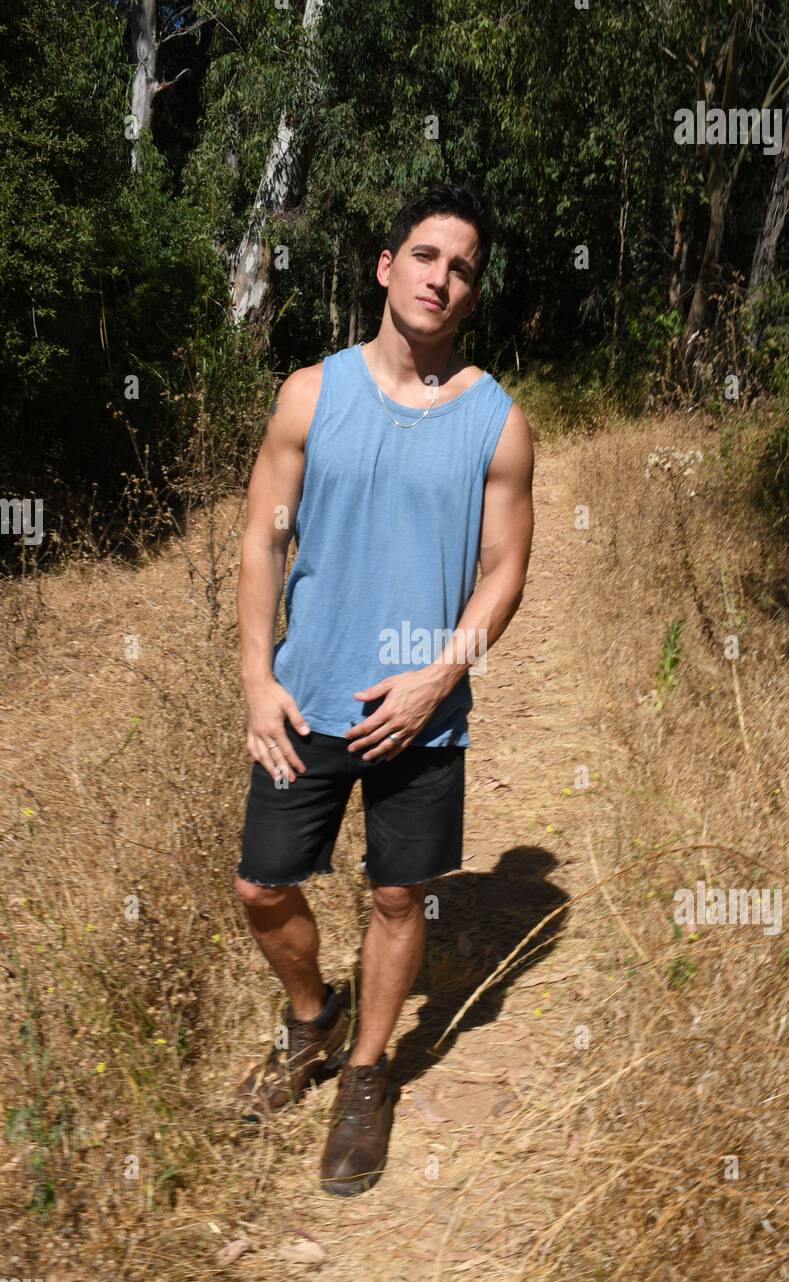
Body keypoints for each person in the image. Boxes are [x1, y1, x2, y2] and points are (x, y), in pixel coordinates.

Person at [233, 184, 535, 1196]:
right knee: (260, 884)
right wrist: (254, 678)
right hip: (306, 695)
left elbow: (502, 571)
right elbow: (259, 542)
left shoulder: (495, 421)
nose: (438, 277)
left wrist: (439, 674)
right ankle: (311, 1015)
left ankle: (366, 1075)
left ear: (468, 293)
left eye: (458, 267)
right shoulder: (309, 396)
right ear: (384, 265)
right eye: (423, 256)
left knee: (397, 894)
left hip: (423, 715)